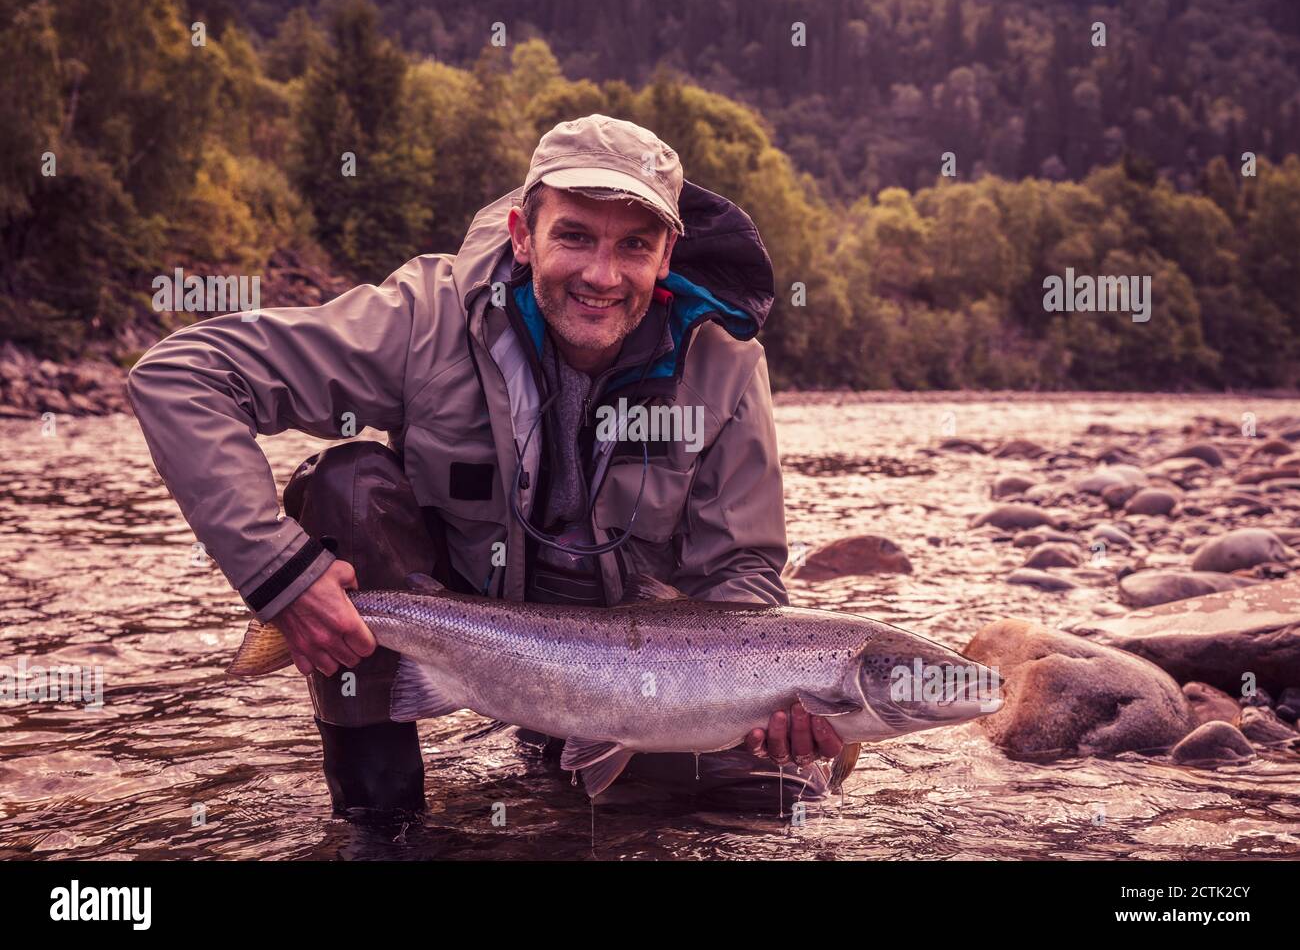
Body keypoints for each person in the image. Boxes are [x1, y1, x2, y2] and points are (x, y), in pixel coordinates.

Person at [127, 114, 843, 817]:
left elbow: (740, 572)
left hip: (651, 680)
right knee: (347, 485)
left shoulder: (723, 364)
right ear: (522, 235)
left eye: (633, 245)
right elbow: (182, 377)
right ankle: (381, 820)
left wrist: (775, 696)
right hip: (469, 643)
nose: (602, 275)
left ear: (666, 256)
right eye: (574, 236)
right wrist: (276, 572)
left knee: (782, 800)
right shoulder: (428, 318)